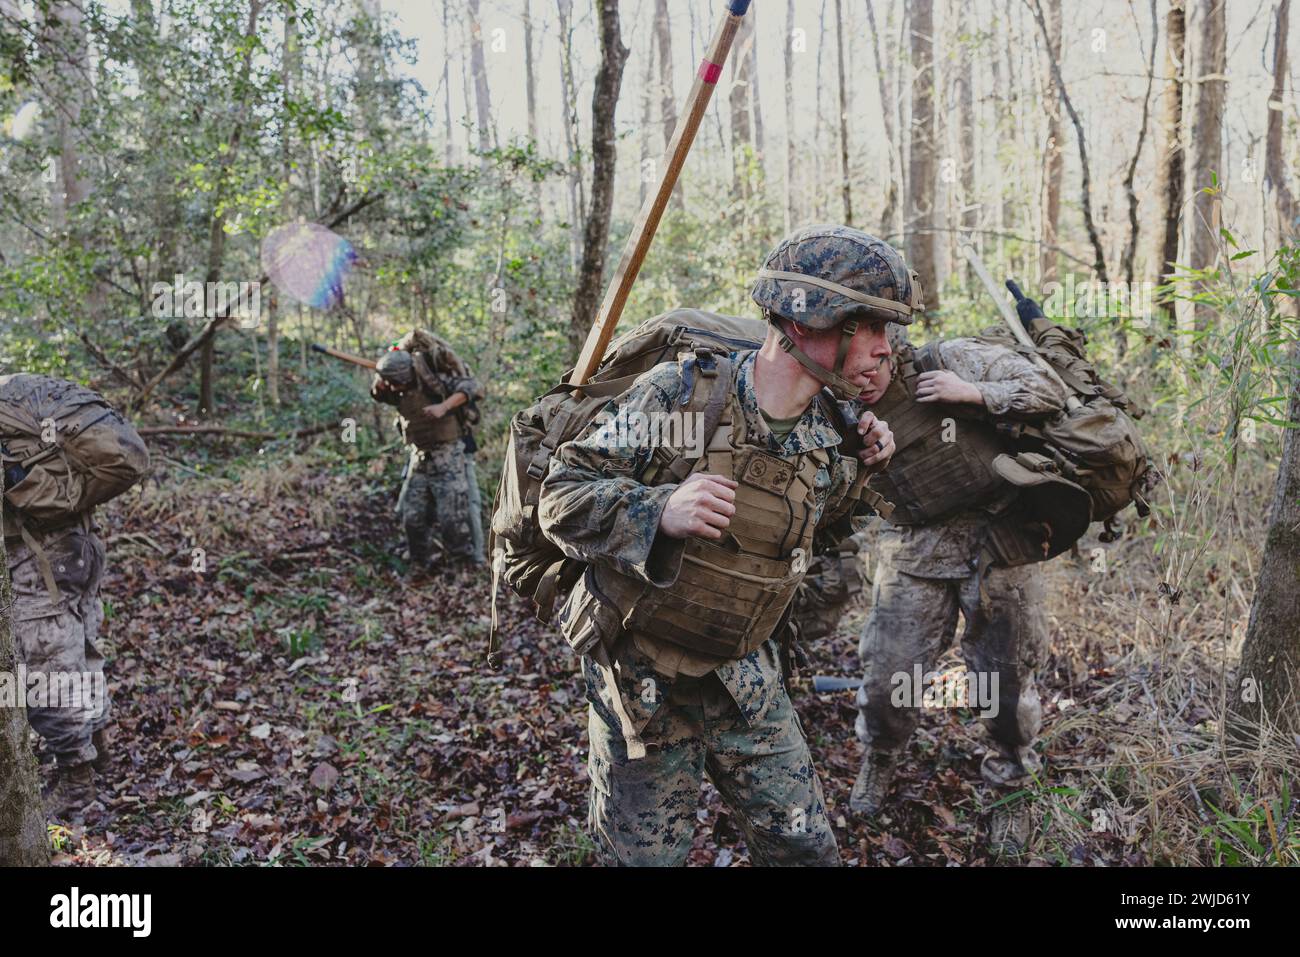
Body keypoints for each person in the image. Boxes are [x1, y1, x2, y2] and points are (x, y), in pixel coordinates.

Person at [538, 225, 920, 866]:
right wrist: (659, 509)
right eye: (871, 328)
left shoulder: (836, 429)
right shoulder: (682, 396)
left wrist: (861, 473)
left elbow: (807, 541)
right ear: (806, 322)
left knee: (805, 852)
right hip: (643, 682)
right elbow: (561, 497)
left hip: (745, 678)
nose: (887, 350)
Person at [848, 322, 1068, 855]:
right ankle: (879, 760)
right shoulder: (831, 395)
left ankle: (1012, 785)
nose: (864, 381)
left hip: (1002, 542)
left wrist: (974, 393)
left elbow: (1049, 392)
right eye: (852, 374)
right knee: (886, 679)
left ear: (891, 350)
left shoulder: (950, 358)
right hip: (916, 547)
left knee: (1005, 685)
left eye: (874, 368)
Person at [2, 373, 149, 816]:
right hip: (80, 547)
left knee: (45, 669)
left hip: (39, 558)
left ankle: (76, 779)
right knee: (81, 652)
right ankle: (99, 750)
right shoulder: (24, 395)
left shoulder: (13, 413)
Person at [370, 332, 485, 571]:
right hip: (419, 456)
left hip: (448, 454)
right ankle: (418, 562)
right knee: (412, 515)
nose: (393, 388)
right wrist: (380, 384)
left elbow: (473, 387)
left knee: (452, 515)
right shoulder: (396, 388)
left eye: (395, 383)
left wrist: (444, 407)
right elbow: (381, 395)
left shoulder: (434, 380)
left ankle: (462, 566)